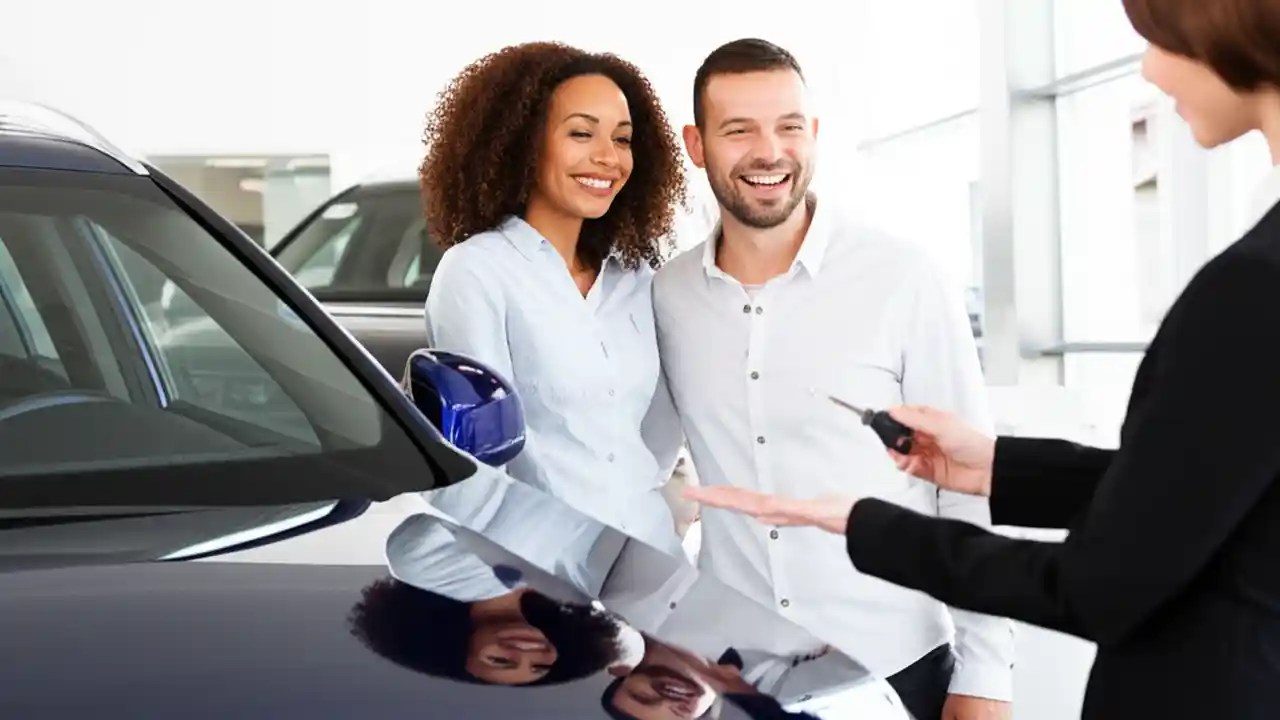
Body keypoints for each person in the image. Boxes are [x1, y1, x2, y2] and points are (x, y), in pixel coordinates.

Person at [683, 2, 1280, 718]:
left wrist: (868, 527)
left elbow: (1103, 580)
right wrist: (999, 464)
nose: (1148, 67)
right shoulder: (1256, 275)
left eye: (1161, 39)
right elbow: (1188, 495)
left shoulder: (1253, 287)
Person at [652, 38, 1014, 720]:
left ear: (813, 134)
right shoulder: (668, 296)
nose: (769, 152)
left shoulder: (901, 277)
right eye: (740, 131)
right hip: (733, 676)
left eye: (789, 127)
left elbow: (969, 487)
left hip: (894, 670)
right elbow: (647, 466)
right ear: (697, 145)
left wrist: (987, 676)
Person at [418, 41, 688, 555]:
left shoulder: (637, 278)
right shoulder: (478, 271)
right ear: (523, 143)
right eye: (581, 133)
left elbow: (655, 438)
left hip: (650, 560)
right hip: (543, 568)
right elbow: (476, 465)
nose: (608, 157)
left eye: (623, 139)